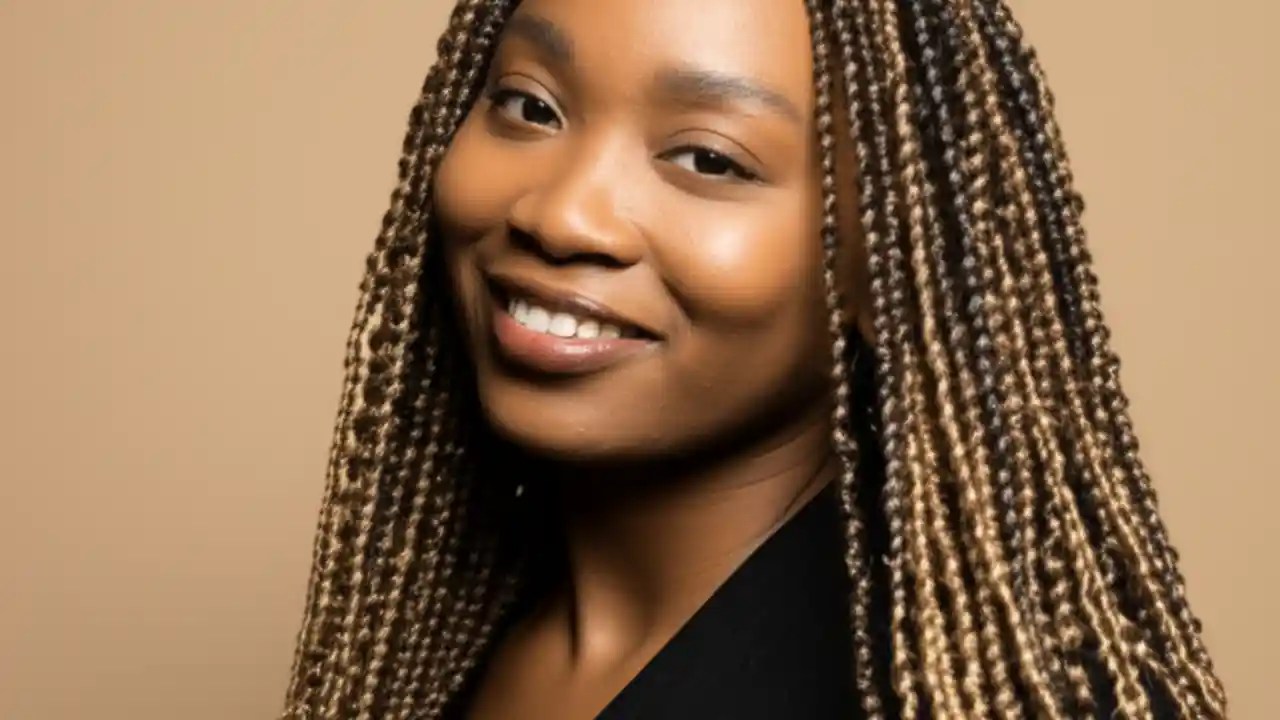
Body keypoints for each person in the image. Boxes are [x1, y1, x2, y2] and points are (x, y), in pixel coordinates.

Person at [280, 0, 1226, 718]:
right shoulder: (436, 647)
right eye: (530, 105)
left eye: (708, 159)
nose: (561, 213)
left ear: (884, 258)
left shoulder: (976, 693)